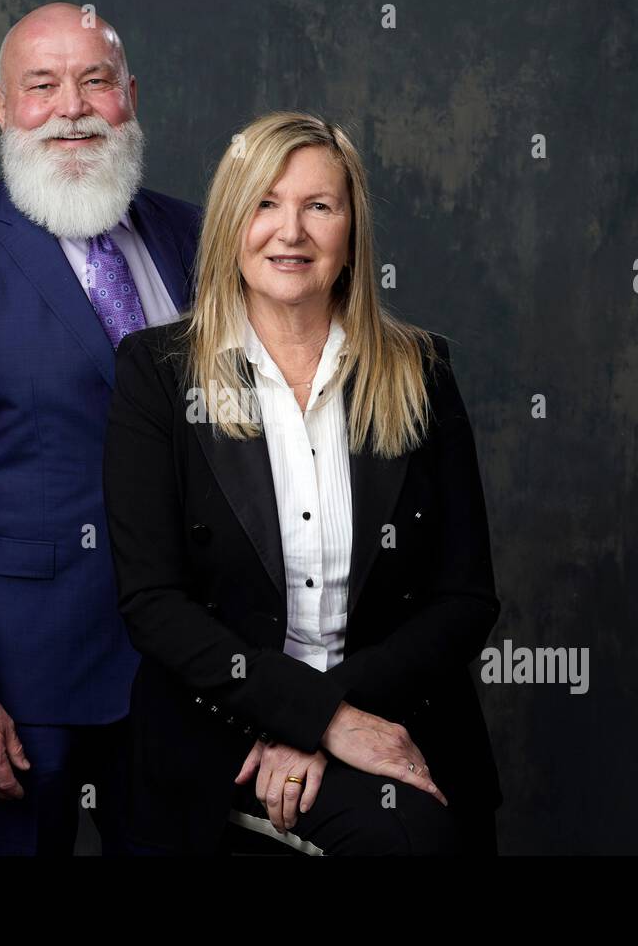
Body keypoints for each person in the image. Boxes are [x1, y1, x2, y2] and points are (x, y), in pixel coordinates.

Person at [102, 111, 502, 855]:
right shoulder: (155, 375)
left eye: (320, 206)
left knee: (419, 839)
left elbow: (465, 599)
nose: (291, 231)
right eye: (265, 203)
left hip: (392, 715)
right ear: (230, 224)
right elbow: (153, 604)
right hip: (218, 730)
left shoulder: (423, 372)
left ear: (352, 234)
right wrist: (316, 717)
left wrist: (337, 717)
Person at [0, 2, 201, 855]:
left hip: (193, 674)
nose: (72, 107)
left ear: (131, 94)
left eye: (95, 80)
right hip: (27, 690)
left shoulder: (196, 235)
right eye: (41, 85)